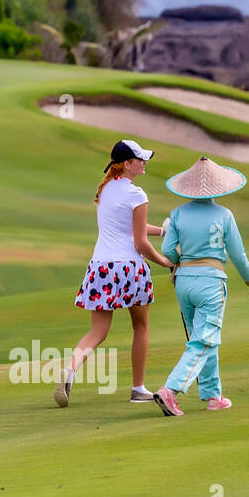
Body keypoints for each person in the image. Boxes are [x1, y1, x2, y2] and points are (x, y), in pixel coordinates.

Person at [56, 139, 176, 407]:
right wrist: (166, 263)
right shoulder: (137, 194)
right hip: (128, 267)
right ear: (126, 164)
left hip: (101, 267)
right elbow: (140, 243)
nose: (144, 162)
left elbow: (134, 229)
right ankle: (138, 389)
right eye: (140, 159)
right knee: (141, 326)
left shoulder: (106, 189)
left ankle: (70, 369)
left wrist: (165, 230)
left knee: (97, 331)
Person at [153, 157, 249, 416]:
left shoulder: (177, 214)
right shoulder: (225, 215)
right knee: (204, 340)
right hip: (211, 283)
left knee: (202, 339)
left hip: (184, 283)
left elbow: (168, 251)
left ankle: (213, 396)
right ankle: (170, 390)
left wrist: (185, 259)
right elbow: (238, 255)